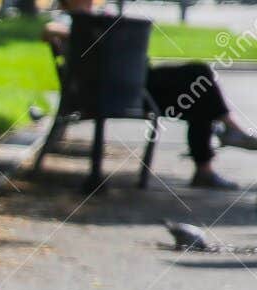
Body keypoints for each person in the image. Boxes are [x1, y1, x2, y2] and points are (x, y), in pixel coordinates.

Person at [44, 0, 257, 189]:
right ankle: (227, 137)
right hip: (115, 89)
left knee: (200, 90)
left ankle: (211, 161)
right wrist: (83, 29)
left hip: (133, 82)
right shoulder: (67, 19)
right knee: (198, 77)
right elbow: (48, 30)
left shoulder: (102, 15)